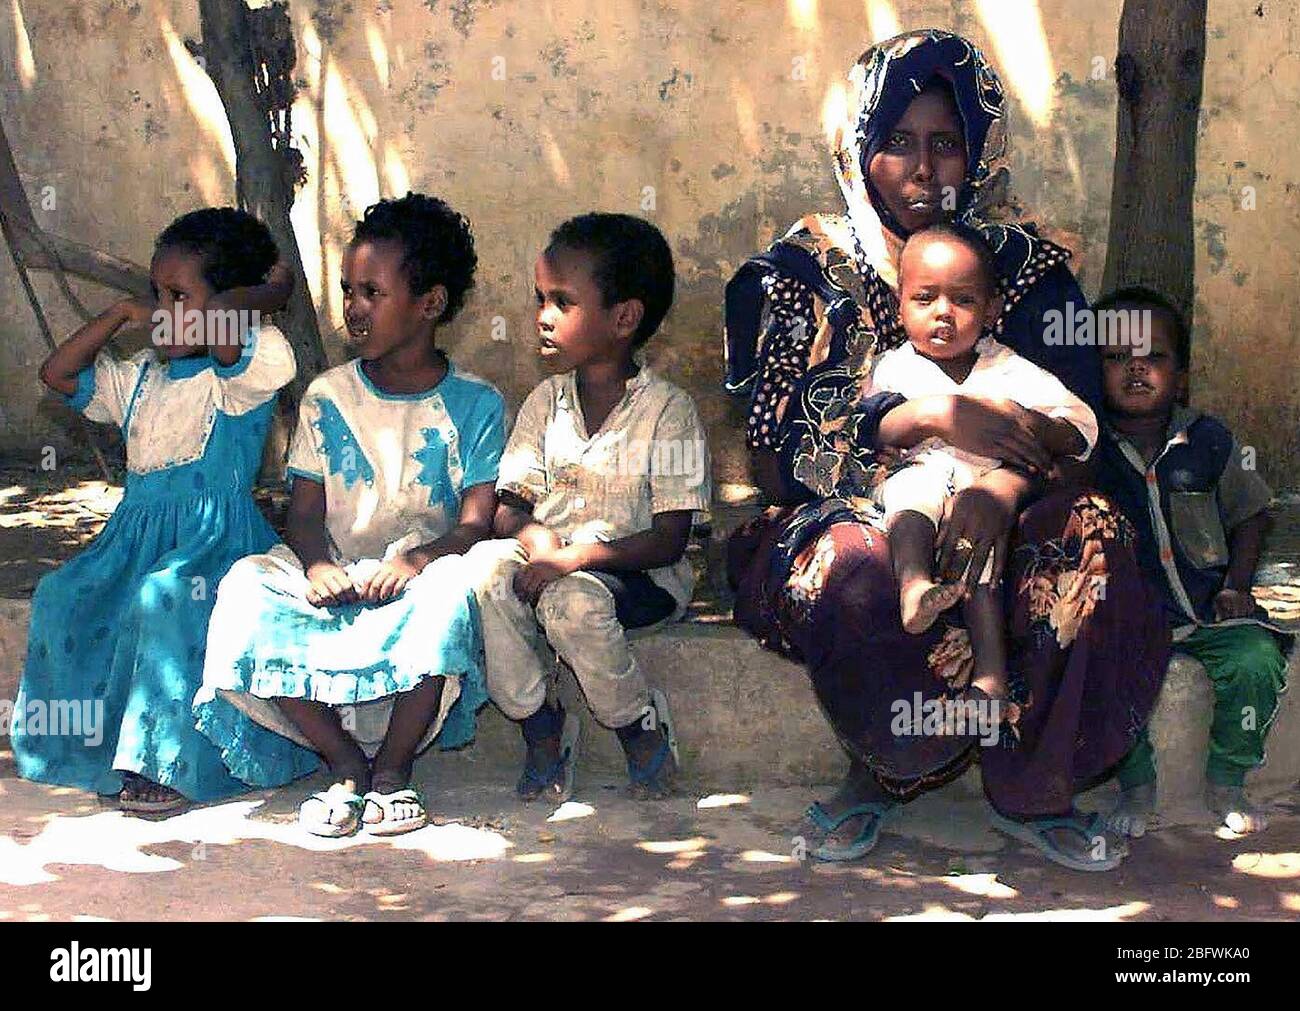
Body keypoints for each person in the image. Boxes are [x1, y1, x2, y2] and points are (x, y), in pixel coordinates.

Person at [723, 29, 1168, 872]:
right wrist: (931, 417)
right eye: (897, 142)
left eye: (946, 143)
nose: (926, 170)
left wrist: (1002, 484)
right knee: (859, 566)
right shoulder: (806, 267)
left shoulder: (1026, 268)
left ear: (979, 149)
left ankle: (1036, 783)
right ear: (861, 148)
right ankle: (881, 767)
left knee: (1095, 533)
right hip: (851, 511)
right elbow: (774, 455)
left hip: (1009, 506)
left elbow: (1079, 430)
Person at [195, 193, 503, 837]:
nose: (353, 307)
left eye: (372, 292)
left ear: (430, 304)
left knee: (454, 592)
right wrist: (314, 566)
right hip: (332, 570)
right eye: (347, 290)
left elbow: (474, 525)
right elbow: (304, 513)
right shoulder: (325, 395)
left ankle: (392, 771)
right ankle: (342, 766)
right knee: (246, 589)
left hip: (419, 574)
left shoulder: (477, 404)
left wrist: (415, 562)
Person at [14, 207, 296, 814]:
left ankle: (164, 762)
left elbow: (225, 320)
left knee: (164, 598)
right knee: (63, 594)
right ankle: (80, 744)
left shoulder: (244, 374)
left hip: (212, 546)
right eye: (156, 294)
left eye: (178, 296)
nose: (163, 311)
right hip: (133, 539)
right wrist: (120, 314)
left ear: (229, 305)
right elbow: (57, 373)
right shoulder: (141, 376)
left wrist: (270, 290)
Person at [464, 213, 712, 803]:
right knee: (480, 576)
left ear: (623, 318)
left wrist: (572, 560)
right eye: (540, 300)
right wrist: (542, 545)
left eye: (562, 302)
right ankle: (541, 724)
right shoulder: (544, 402)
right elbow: (509, 508)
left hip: (639, 576)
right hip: (549, 566)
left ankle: (638, 726)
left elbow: (670, 539)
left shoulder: (667, 412)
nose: (542, 316)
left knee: (573, 603)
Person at [867, 223, 1097, 723]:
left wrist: (1029, 424)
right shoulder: (891, 368)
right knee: (910, 493)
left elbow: (1081, 427)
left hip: (980, 494)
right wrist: (908, 426)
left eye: (964, 300)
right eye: (925, 298)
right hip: (923, 474)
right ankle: (914, 587)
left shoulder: (1012, 371)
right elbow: (870, 427)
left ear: (992, 310)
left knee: (982, 564)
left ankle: (989, 679)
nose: (943, 313)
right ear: (900, 305)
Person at [1091, 287, 1292, 837]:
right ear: (1093, 369)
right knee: (1100, 665)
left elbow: (1251, 514)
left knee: (1256, 656)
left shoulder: (1208, 440)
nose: (1136, 368)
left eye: (1154, 356)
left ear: (1180, 375)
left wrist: (1236, 585)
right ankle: (1136, 786)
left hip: (1207, 611)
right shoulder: (1087, 448)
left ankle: (1228, 778)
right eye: (1116, 357)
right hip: (1127, 617)